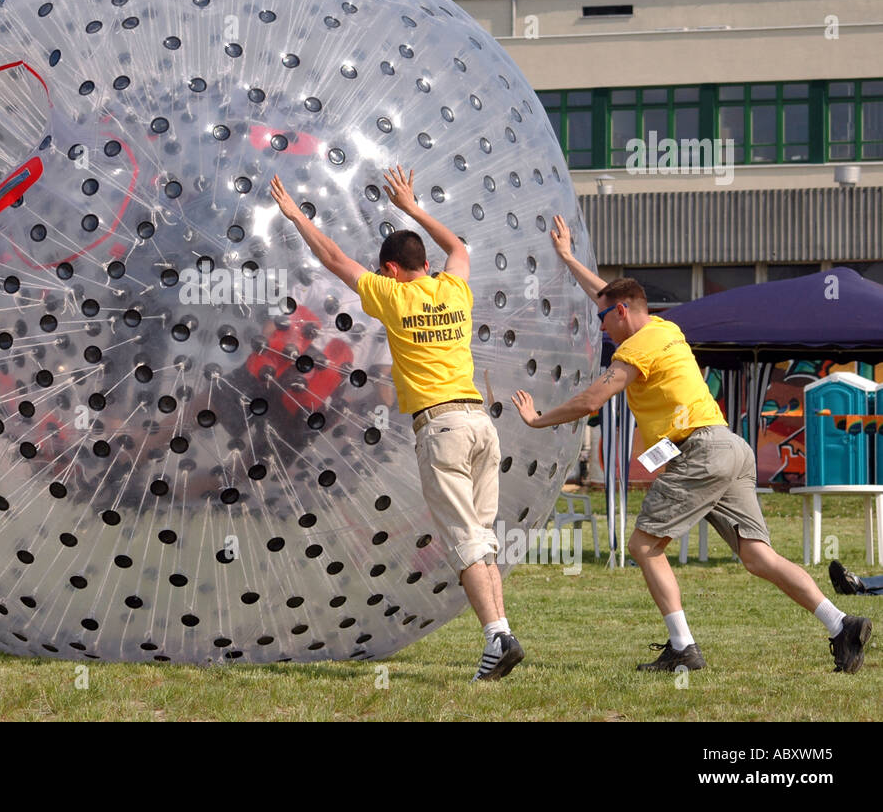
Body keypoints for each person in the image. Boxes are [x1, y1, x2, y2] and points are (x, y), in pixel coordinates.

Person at [510, 214, 872, 674]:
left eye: (604, 320)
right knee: (759, 557)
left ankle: (683, 647)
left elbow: (591, 400)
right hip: (728, 446)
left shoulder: (634, 348)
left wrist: (539, 419)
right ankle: (841, 624)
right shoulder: (664, 328)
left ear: (623, 314)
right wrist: (568, 258)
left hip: (700, 451)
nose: (602, 328)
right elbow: (610, 296)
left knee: (643, 547)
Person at [270, 166, 523, 681]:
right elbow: (459, 247)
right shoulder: (454, 288)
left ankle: (497, 638)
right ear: (424, 264)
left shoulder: (392, 296)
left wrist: (298, 216)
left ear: (390, 269)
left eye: (383, 271)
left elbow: (334, 259)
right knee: (482, 539)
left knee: (465, 543)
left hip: (443, 429)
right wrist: (411, 206)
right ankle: (503, 633)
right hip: (480, 423)